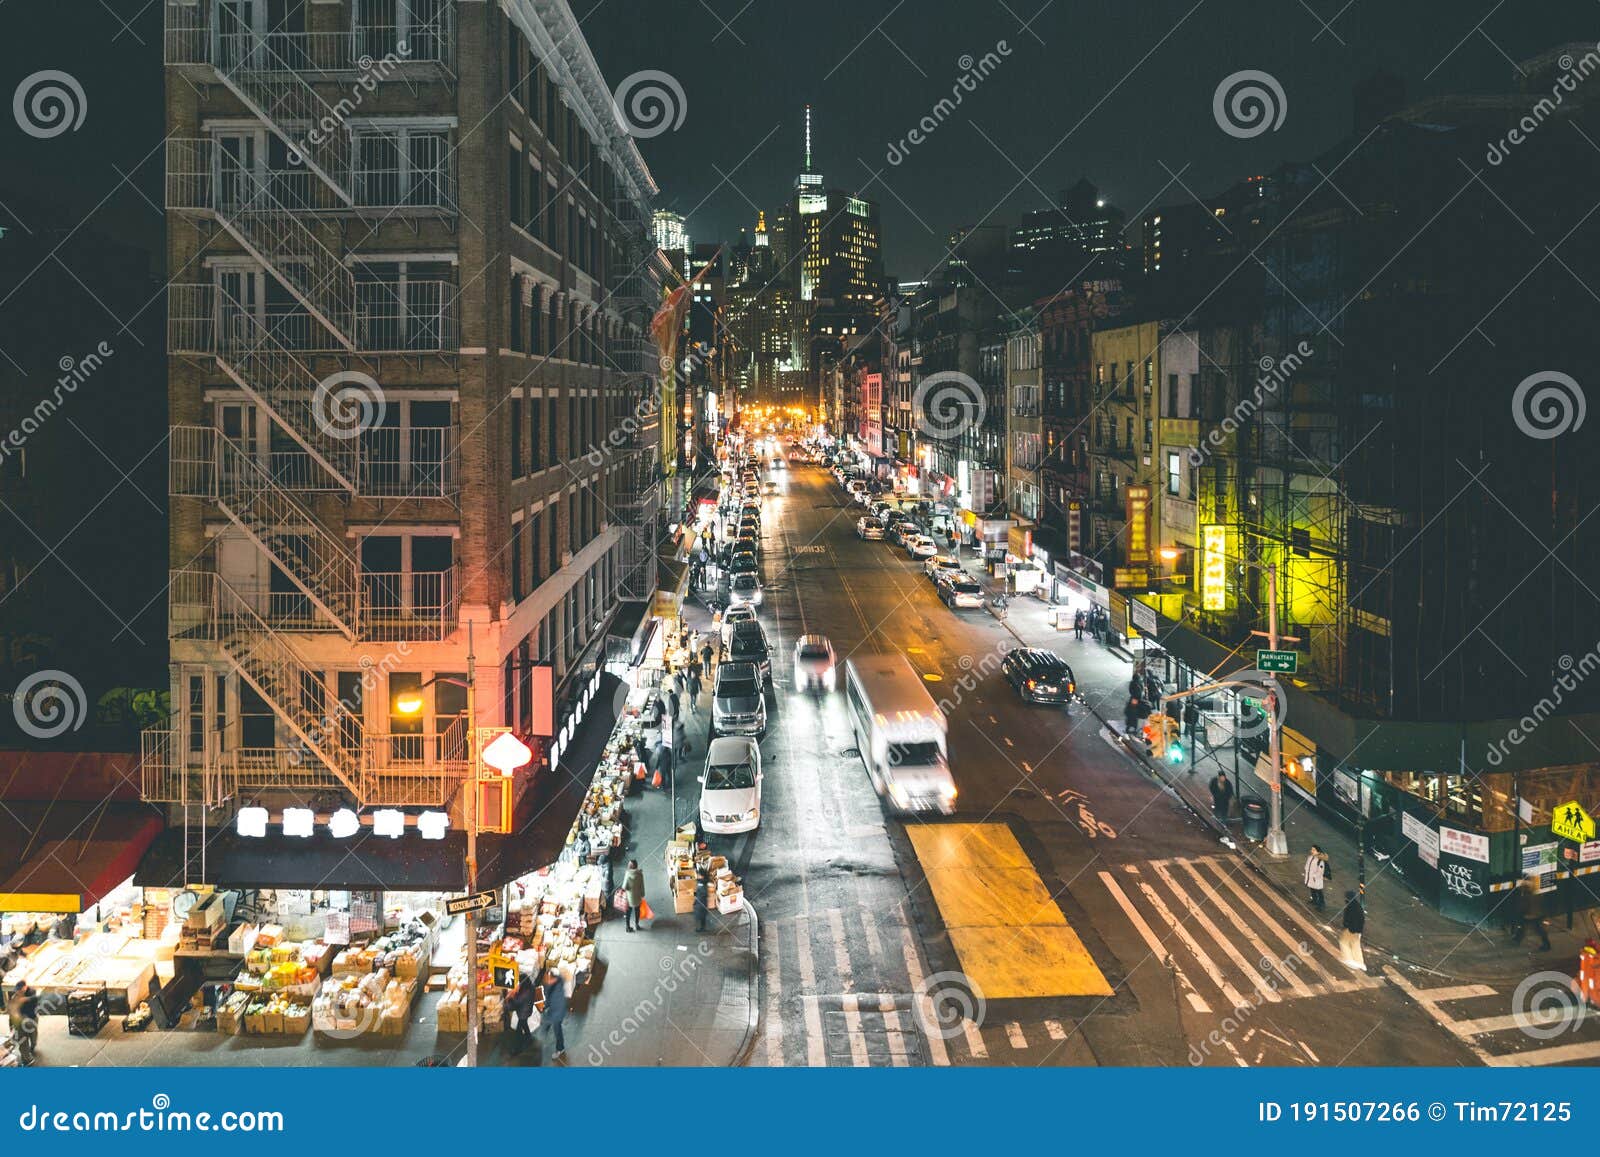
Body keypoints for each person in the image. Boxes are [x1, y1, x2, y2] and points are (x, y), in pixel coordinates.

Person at [1510, 874, 1552, 951]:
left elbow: (1530, 887)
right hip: (1534, 910)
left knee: (1535, 926)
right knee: (1529, 925)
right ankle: (1518, 938)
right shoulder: (1535, 885)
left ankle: (1546, 944)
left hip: (1532, 910)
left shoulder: (1531, 888)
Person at [541, 968, 569, 1063]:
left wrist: (544, 1006)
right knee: (548, 1021)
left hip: (557, 1013)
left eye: (547, 978)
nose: (546, 980)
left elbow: (552, 1002)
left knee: (557, 1031)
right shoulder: (555, 982)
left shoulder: (555, 989)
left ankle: (560, 1049)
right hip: (554, 1011)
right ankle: (546, 1029)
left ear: (551, 978)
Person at [8, 981, 38, 1066]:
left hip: (31, 1018)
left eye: (20, 990)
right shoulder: (14, 997)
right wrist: (11, 1025)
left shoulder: (31, 992)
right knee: (23, 1040)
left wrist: (26, 999)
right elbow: (11, 1013)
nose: (18, 992)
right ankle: (26, 1059)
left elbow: (37, 999)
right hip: (20, 1022)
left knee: (33, 1036)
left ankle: (33, 1046)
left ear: (25, 987)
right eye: (17, 990)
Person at [507, 975, 537, 1055]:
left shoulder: (524, 993)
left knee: (518, 1031)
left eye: (519, 983)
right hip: (527, 1011)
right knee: (524, 1024)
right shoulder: (531, 987)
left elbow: (514, 1004)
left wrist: (510, 997)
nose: (518, 984)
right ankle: (529, 1037)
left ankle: (517, 1049)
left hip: (523, 1013)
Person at [1339, 890, 1367, 971]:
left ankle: (1348, 959)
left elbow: (1349, 919)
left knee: (1343, 942)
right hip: (1358, 930)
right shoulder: (1358, 906)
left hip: (1351, 929)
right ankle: (1360, 962)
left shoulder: (1350, 906)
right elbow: (1362, 919)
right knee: (1355, 945)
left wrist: (1348, 927)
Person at [1303, 845, 1330, 910]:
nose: (1312, 851)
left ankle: (1321, 904)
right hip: (1310, 878)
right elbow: (1307, 865)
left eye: (1314, 850)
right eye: (1311, 849)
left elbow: (1320, 871)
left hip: (1316, 879)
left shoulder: (1320, 860)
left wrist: (1314, 877)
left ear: (1318, 852)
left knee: (1319, 892)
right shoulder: (1310, 857)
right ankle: (1314, 900)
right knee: (1312, 890)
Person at [623, 859, 646, 933]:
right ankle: (637, 924)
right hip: (637, 897)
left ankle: (628, 927)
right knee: (637, 911)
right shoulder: (640, 874)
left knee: (628, 912)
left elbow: (624, 887)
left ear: (630, 866)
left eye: (629, 864)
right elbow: (642, 886)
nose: (628, 865)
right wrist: (642, 894)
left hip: (629, 898)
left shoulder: (627, 874)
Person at [693, 868, 712, 933]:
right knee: (701, 916)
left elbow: (704, 893)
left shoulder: (702, 883)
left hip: (701, 903)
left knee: (700, 915)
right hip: (699, 901)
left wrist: (697, 895)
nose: (697, 875)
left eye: (699, 874)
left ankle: (701, 928)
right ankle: (702, 927)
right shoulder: (701, 882)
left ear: (702, 876)